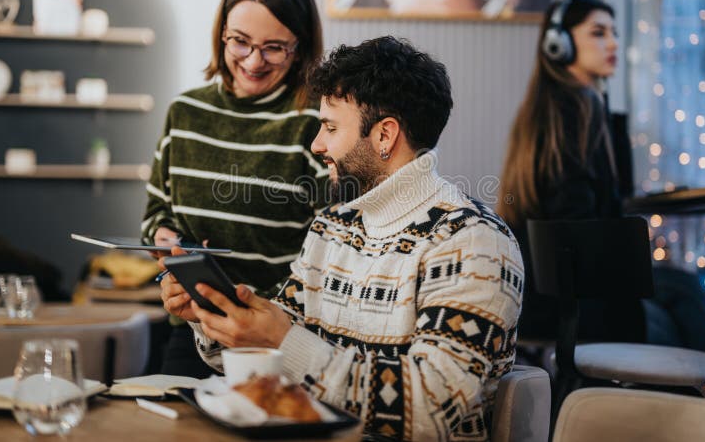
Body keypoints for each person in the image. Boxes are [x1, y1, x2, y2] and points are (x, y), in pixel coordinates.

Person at [160, 36, 523, 441]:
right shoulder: (333, 227)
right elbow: (277, 360)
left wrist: (282, 340)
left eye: (330, 127)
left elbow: (431, 410)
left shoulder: (475, 243)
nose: (317, 144)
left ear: (385, 135)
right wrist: (213, 318)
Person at [497, 0, 705, 359]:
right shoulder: (579, 109)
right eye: (598, 33)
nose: (613, 43)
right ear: (558, 44)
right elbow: (581, 225)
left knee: (676, 294)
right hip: (572, 301)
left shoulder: (540, 114)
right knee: (682, 292)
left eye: (615, 33)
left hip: (537, 298)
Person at [142, 0, 328, 377]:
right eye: (240, 42)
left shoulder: (315, 122)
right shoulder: (186, 112)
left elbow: (334, 246)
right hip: (192, 334)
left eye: (274, 48)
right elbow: (157, 213)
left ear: (300, 47)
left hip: (277, 344)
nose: (253, 61)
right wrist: (165, 239)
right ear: (221, 34)